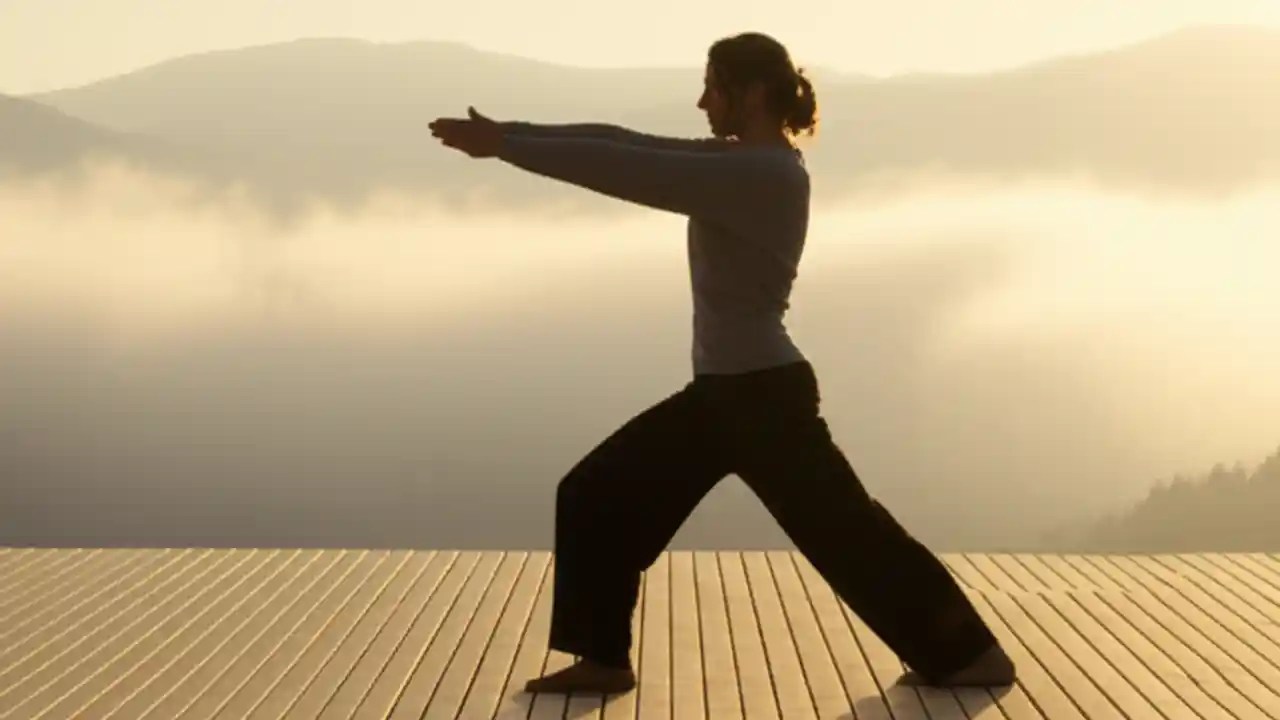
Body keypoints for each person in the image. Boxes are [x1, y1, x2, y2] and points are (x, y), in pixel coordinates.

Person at [429, 31, 1016, 694]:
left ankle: (971, 657)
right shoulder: (746, 165)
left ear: (754, 92)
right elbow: (624, 141)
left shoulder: (758, 176)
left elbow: (620, 167)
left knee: (851, 536)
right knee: (598, 495)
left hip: (761, 400)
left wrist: (508, 148)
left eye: (714, 86)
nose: (702, 101)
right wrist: (510, 132)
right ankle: (603, 660)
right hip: (728, 397)